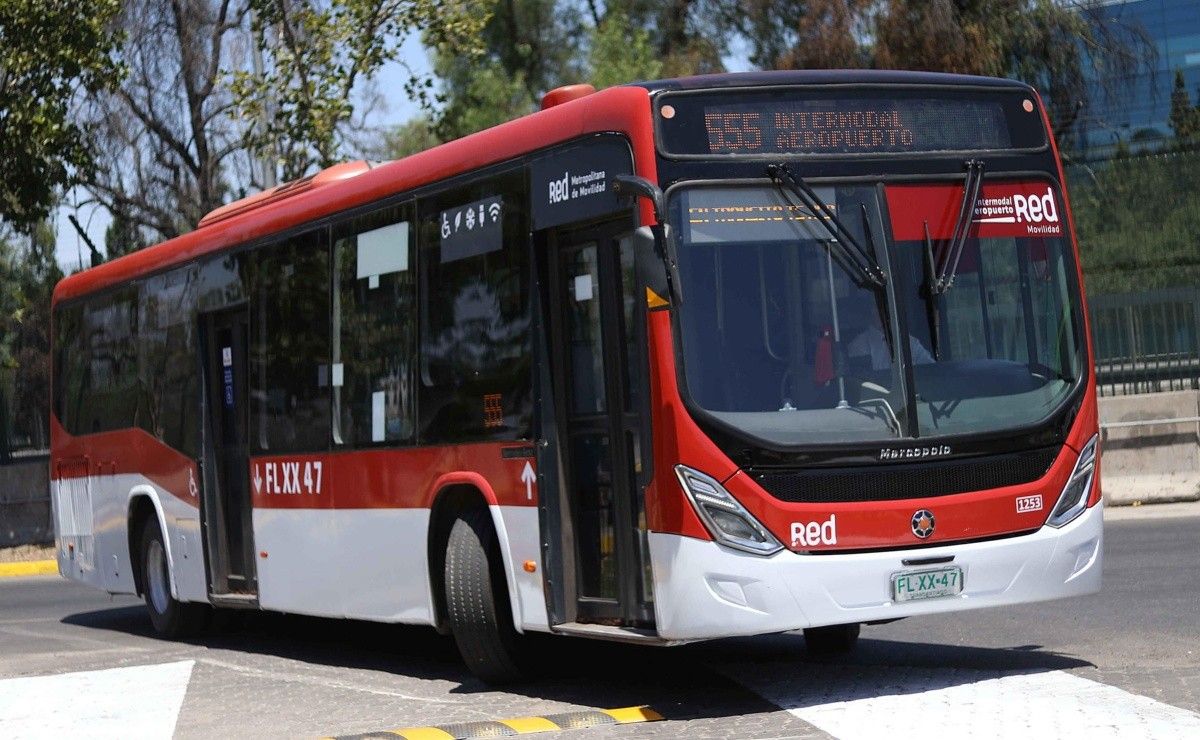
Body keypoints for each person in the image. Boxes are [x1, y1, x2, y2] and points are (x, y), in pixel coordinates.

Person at [844, 299, 934, 371]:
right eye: (880, 308)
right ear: (872, 310)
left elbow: (933, 370)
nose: (886, 313)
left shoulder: (910, 343)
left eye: (889, 307)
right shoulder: (858, 346)